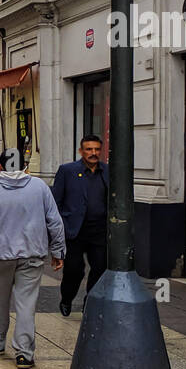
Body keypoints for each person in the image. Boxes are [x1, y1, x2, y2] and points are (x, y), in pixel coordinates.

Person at [0, 150, 66, 369]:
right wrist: (58, 251)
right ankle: (24, 353)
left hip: (0, 256)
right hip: (32, 254)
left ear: (0, 166)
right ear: (24, 166)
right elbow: (55, 221)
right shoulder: (39, 187)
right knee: (26, 304)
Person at [51, 134, 108, 317]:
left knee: (100, 268)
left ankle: (89, 302)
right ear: (81, 151)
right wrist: (60, 227)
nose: (93, 153)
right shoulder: (67, 171)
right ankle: (66, 299)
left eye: (97, 149)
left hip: (99, 231)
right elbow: (55, 202)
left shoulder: (107, 171)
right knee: (74, 271)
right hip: (74, 231)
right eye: (89, 149)